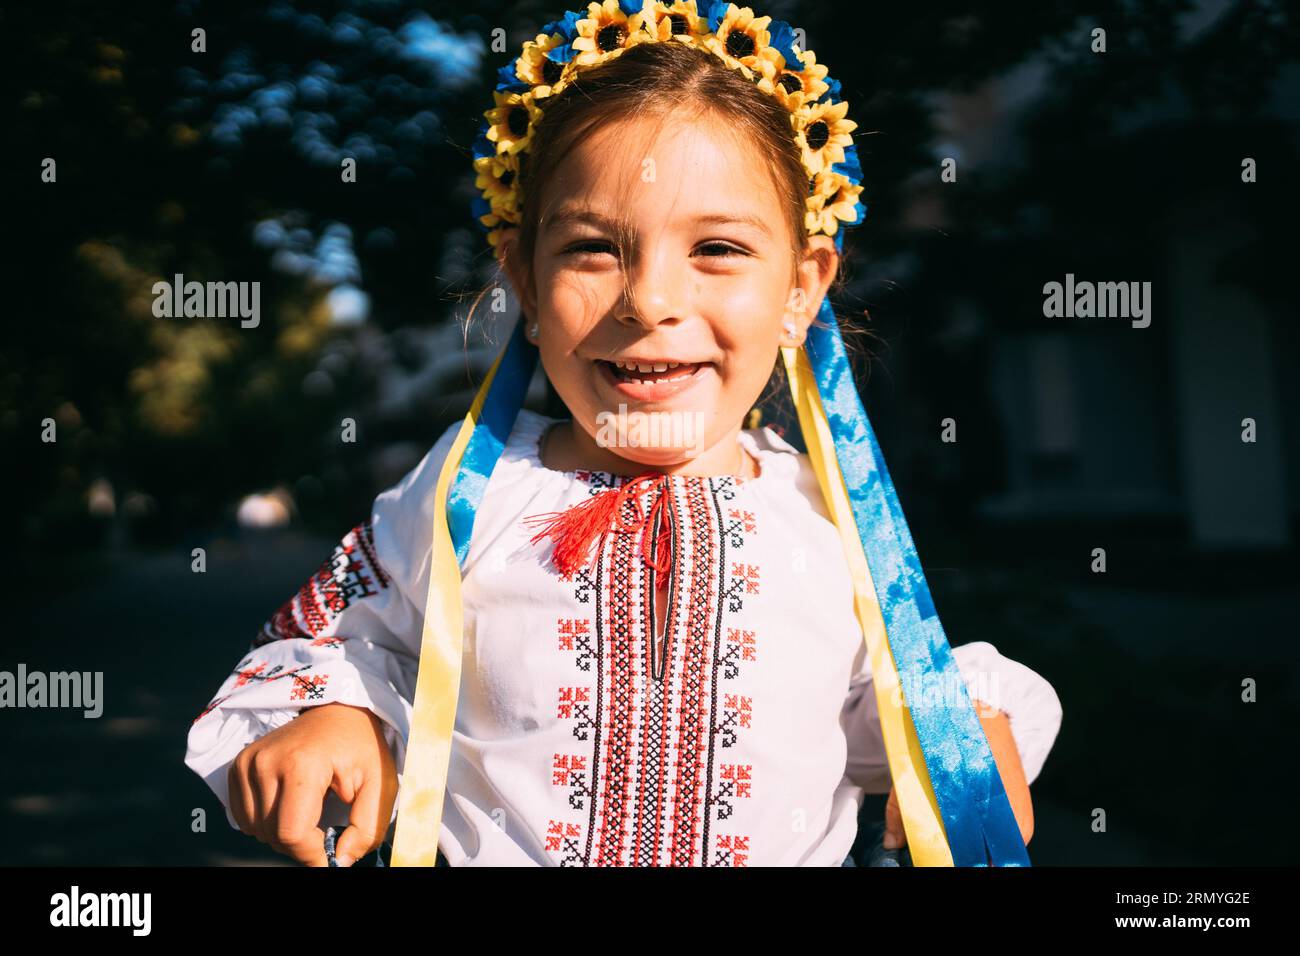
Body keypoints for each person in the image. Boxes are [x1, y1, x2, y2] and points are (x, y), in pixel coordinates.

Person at [185, 0, 1063, 867]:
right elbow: (343, 635)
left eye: (717, 248)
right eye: (594, 249)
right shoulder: (465, 492)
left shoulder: (832, 518)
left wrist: (957, 731)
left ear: (803, 288)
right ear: (525, 284)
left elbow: (875, 701)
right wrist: (335, 712)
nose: (649, 301)